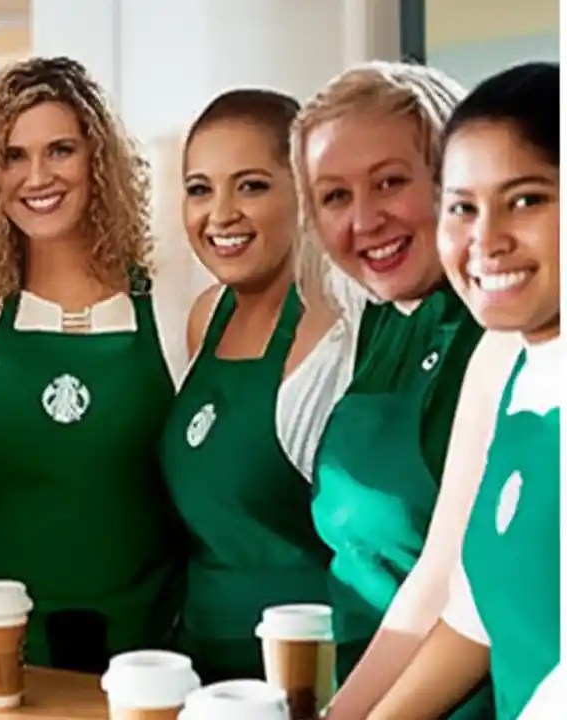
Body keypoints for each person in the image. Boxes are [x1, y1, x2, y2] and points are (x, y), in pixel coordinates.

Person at [0, 56, 181, 672]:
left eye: (60, 150)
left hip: (144, 654)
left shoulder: (168, 305)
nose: (37, 176)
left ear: (99, 162)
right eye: (12, 156)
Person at [291, 62, 492, 717]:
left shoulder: (495, 341)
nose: (365, 219)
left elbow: (454, 591)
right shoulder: (380, 320)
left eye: (390, 182)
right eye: (335, 197)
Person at [369, 61, 560, 720]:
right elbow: (476, 617)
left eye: (528, 199)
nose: (486, 240)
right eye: (462, 207)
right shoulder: (516, 369)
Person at [158, 88, 355, 682]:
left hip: (303, 675)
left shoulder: (332, 330)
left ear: (304, 193)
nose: (220, 215)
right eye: (200, 189)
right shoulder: (205, 316)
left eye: (251, 186)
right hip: (200, 671)